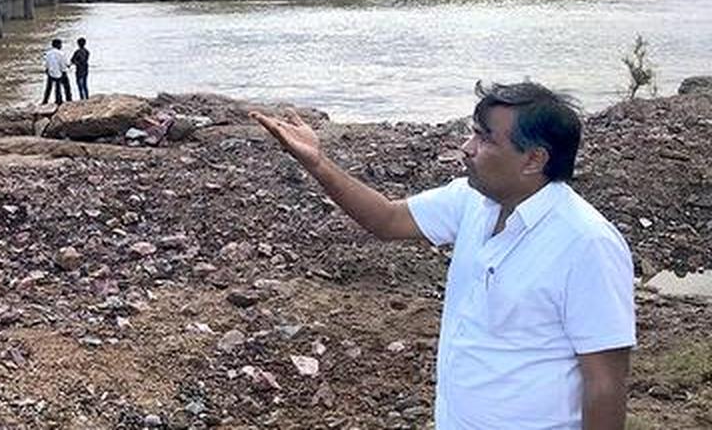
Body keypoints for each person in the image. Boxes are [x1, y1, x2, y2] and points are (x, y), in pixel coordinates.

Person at [252, 82, 634, 430]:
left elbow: (604, 382)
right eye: (472, 133)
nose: (467, 148)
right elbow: (387, 219)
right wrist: (318, 163)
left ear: (534, 160)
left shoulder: (587, 243)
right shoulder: (471, 201)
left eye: (485, 140)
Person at [41, 38, 72, 105]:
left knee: (49, 87)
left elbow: (46, 64)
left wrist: (47, 70)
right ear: (58, 45)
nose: (61, 46)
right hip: (59, 73)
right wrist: (66, 68)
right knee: (66, 86)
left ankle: (45, 101)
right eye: (60, 44)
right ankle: (67, 100)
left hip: (51, 72)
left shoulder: (48, 54)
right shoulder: (61, 54)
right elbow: (63, 64)